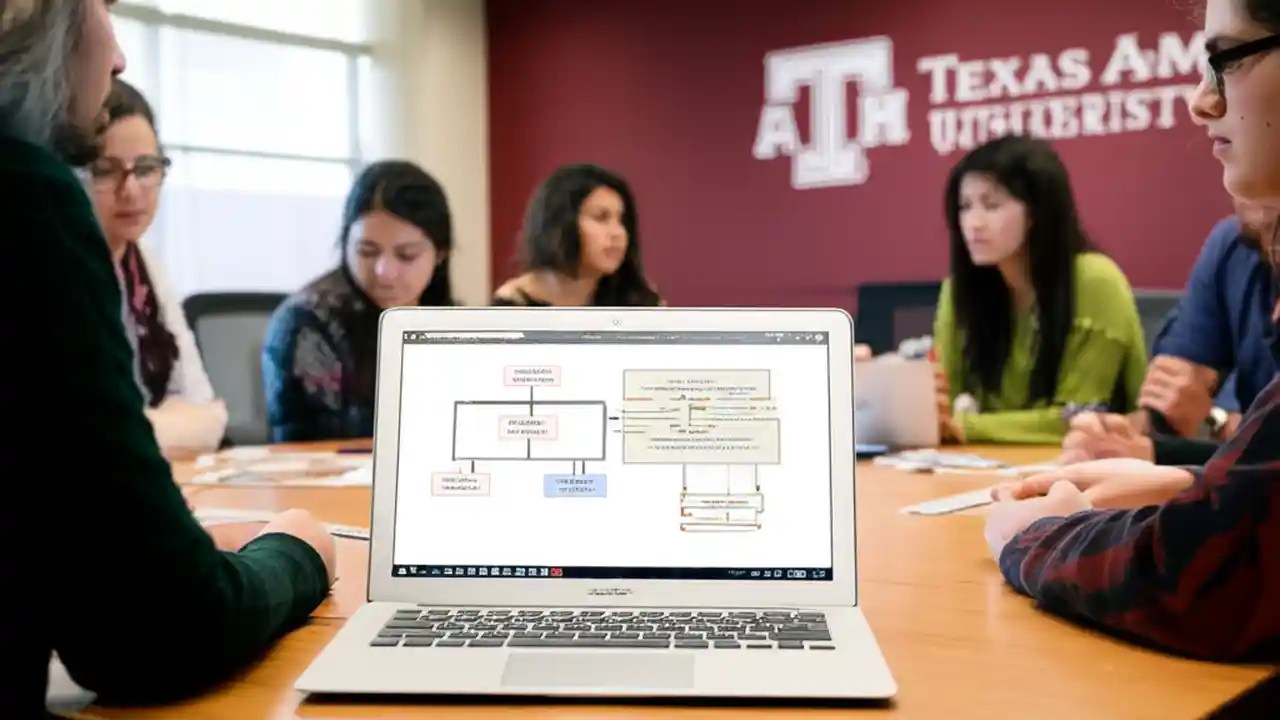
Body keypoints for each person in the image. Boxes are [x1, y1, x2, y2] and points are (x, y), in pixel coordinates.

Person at [0, 2, 334, 716]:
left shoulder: (147, 267)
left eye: (147, 168)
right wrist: (301, 553)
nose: (117, 55)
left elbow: (205, 411)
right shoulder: (27, 201)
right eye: (102, 7)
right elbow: (155, 633)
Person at [986, 0, 1280, 661]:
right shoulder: (962, 297)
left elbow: (1202, 579)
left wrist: (1031, 537)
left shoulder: (1092, 282)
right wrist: (1181, 473)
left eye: (1225, 61)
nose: (1202, 103)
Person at [931, 135, 1147, 444]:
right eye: (965, 207)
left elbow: (1078, 419)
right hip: (986, 468)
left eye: (992, 205)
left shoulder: (1095, 281)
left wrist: (967, 426)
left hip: (1095, 468)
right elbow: (941, 406)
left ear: (1036, 213)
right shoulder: (958, 291)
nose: (973, 223)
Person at [1060, 200, 1278, 466]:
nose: (1218, 155)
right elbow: (1171, 405)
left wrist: (1205, 427)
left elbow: (1262, 449)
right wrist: (1117, 434)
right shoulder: (1234, 242)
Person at [263, 160, 454, 442]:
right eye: (367, 252)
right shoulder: (307, 323)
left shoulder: (446, 319)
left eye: (406, 255)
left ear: (440, 254)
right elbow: (313, 450)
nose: (384, 272)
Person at [85, 78, 228, 456]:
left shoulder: (145, 264)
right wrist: (167, 425)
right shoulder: (54, 264)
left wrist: (138, 427)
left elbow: (208, 418)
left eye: (145, 167)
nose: (131, 190)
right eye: (104, 170)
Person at [492, 163, 663, 306]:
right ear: (560, 224)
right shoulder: (513, 305)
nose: (618, 233)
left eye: (622, 220)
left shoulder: (640, 299)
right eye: (600, 217)